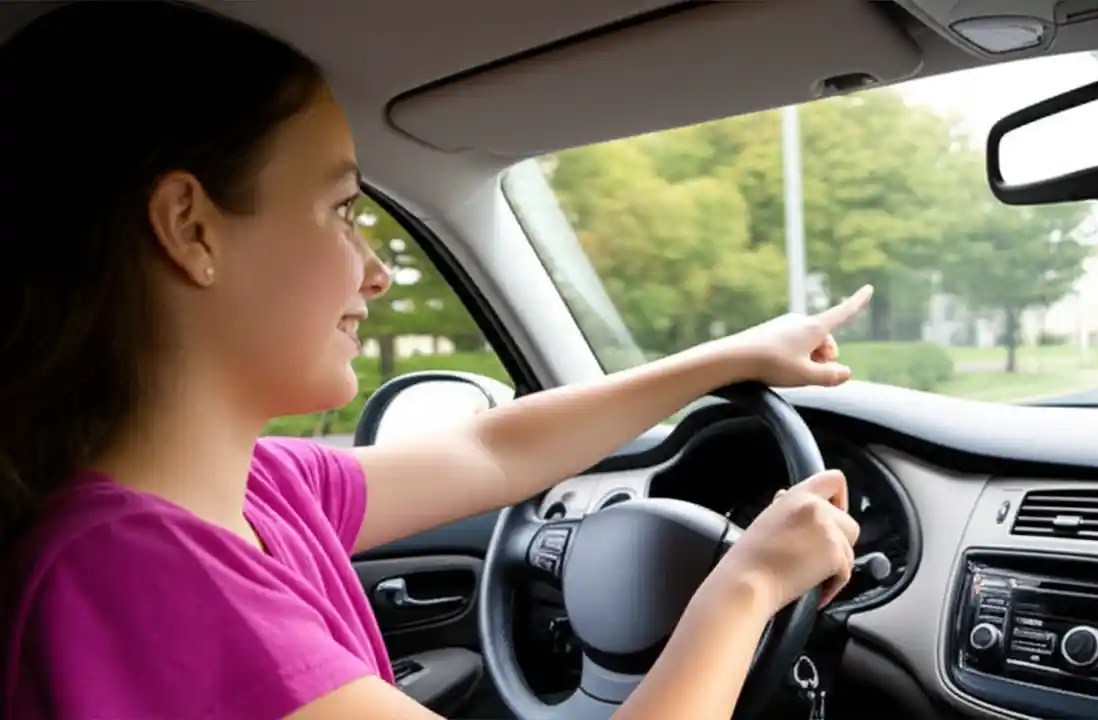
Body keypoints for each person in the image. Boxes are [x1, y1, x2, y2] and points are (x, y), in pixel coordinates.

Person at [0, 2, 870, 719]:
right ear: (192, 230)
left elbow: (493, 452)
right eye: (341, 210)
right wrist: (749, 584)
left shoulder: (254, 490)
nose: (375, 272)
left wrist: (728, 358)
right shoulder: (133, 575)